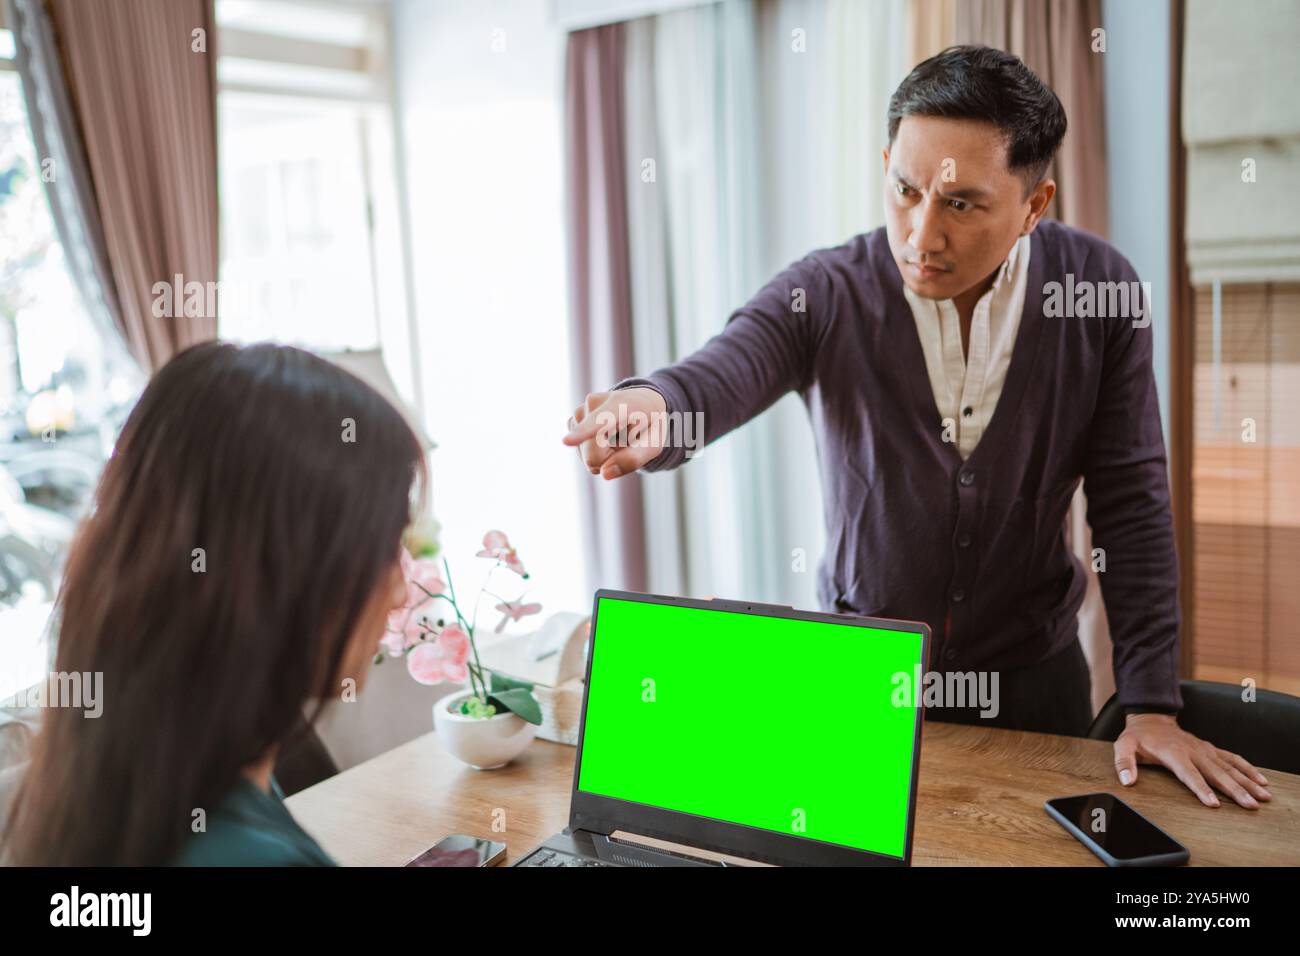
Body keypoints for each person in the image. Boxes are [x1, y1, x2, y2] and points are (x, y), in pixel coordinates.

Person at [563, 45, 1271, 811]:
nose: (920, 236)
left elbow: (1131, 506)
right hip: (861, 694)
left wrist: (1151, 704)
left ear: (1035, 206)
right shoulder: (827, 291)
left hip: (1035, 691)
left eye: (960, 204)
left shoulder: (1098, 293)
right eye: (904, 190)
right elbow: (723, 371)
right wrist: (656, 407)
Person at [3, 342, 422, 865]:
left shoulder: (144, 779)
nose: (401, 589)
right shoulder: (246, 854)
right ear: (290, 572)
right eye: (384, 546)